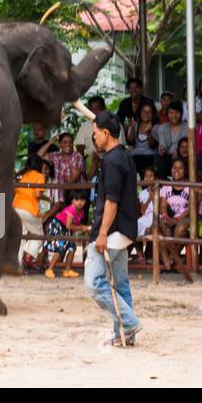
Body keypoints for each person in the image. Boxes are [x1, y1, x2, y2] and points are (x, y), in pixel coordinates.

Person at [83, 111, 142, 347]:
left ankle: (128, 323)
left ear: (106, 133)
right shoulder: (125, 156)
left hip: (113, 231)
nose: (94, 137)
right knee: (121, 283)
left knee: (95, 283)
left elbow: (111, 201)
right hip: (124, 230)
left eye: (95, 133)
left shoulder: (111, 161)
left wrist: (102, 233)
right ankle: (126, 334)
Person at [43, 193, 88, 279]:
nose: (80, 202)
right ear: (72, 201)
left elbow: (74, 225)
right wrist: (82, 228)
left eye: (82, 200)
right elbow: (69, 225)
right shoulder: (71, 210)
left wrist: (81, 228)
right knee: (61, 246)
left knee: (72, 246)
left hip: (66, 230)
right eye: (77, 200)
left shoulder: (81, 212)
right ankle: (49, 269)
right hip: (57, 226)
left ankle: (67, 270)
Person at [157, 158, 190, 273]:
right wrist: (166, 217)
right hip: (169, 217)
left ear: (185, 171)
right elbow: (163, 207)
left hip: (184, 218)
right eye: (174, 167)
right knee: (158, 228)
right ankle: (167, 262)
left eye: (180, 168)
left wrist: (176, 220)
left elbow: (191, 208)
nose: (177, 170)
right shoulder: (166, 187)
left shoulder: (190, 186)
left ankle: (172, 259)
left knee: (180, 228)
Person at [13, 157, 47, 271]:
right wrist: (48, 198)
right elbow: (37, 194)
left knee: (20, 237)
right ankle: (28, 254)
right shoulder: (39, 176)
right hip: (28, 209)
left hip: (16, 207)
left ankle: (17, 265)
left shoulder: (21, 175)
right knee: (39, 235)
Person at [74, 95, 106, 175]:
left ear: (103, 109)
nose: (94, 112)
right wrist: (83, 164)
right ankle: (90, 182)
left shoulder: (113, 124)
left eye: (97, 109)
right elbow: (79, 149)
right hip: (90, 160)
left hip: (109, 158)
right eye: (91, 109)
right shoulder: (84, 127)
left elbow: (121, 146)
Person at [127, 102, 161, 176]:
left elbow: (152, 145)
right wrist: (132, 128)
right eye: (144, 111)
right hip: (135, 157)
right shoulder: (134, 124)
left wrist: (149, 134)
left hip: (150, 157)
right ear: (140, 112)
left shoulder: (157, 127)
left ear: (153, 114)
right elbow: (130, 142)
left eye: (149, 112)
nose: (146, 114)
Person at [155, 100, 187, 167]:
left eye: (177, 112)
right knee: (159, 159)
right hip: (167, 156)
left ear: (181, 113)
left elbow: (186, 145)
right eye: (171, 113)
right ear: (167, 114)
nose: (174, 115)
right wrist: (162, 149)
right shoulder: (162, 128)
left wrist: (178, 152)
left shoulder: (187, 127)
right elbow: (162, 144)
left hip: (182, 156)